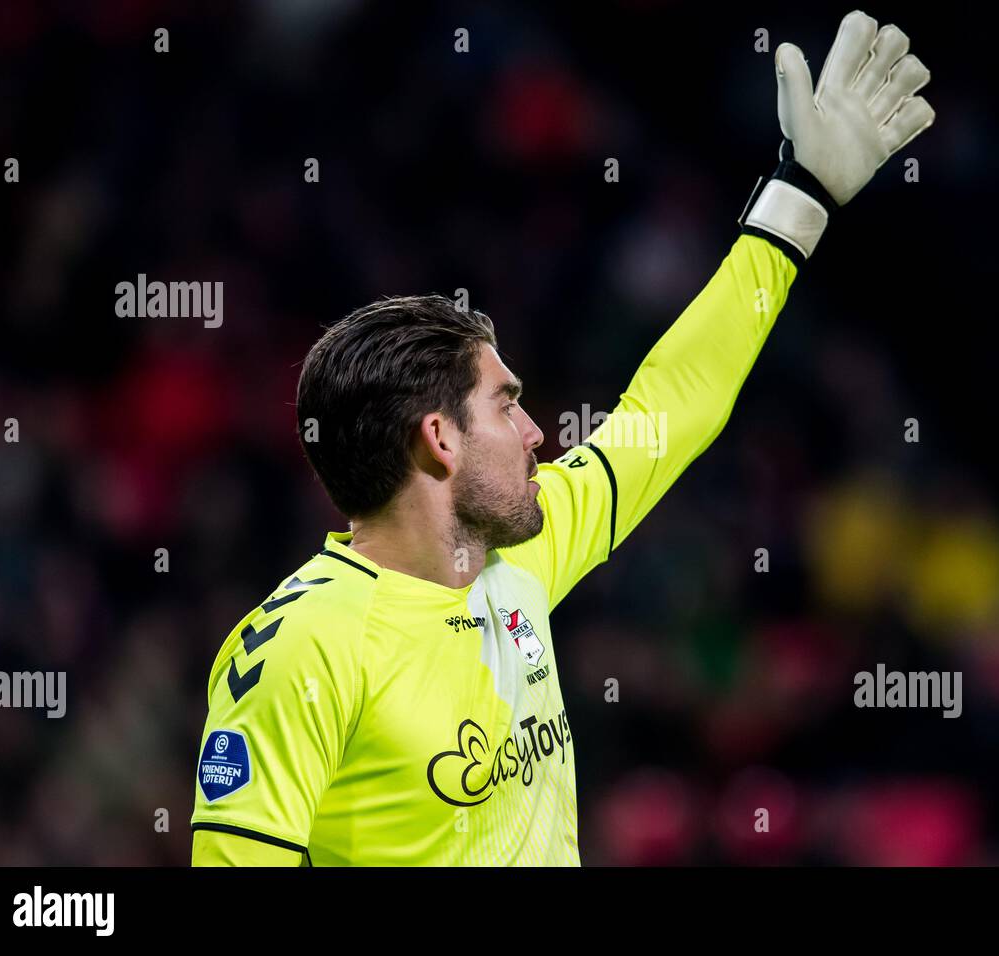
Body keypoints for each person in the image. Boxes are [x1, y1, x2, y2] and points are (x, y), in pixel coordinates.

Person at [190, 9, 934, 865]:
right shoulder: (301, 649)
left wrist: (799, 200)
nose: (542, 435)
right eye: (507, 407)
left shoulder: (517, 554)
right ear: (440, 439)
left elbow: (674, 404)